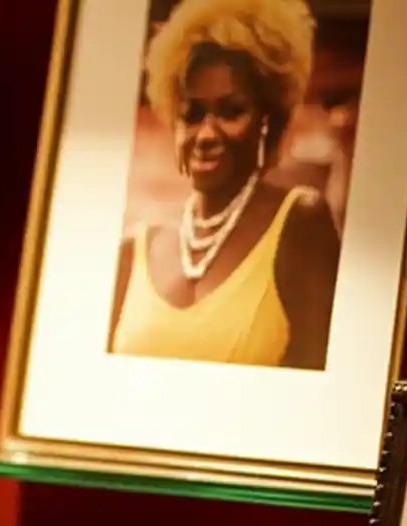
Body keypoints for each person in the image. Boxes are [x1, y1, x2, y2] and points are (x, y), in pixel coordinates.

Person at [109, 0, 342, 371]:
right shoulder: (134, 249)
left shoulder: (299, 222)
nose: (206, 134)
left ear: (267, 119)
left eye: (231, 111)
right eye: (192, 114)